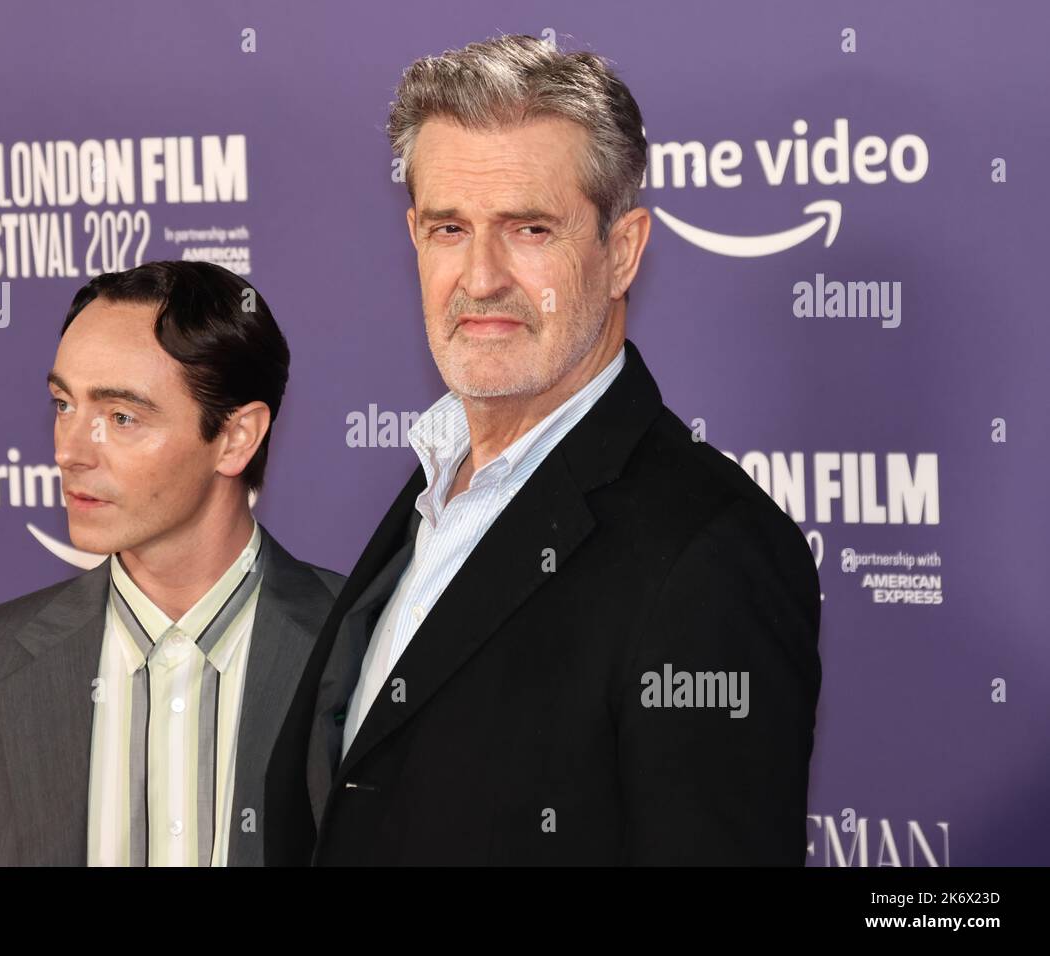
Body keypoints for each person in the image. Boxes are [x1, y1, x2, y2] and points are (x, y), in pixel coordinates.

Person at [264, 35, 822, 865]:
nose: (481, 277)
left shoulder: (712, 555)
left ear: (622, 250)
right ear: (415, 236)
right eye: (450, 228)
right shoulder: (439, 483)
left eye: (529, 228)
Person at [0, 260, 344, 865]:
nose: (68, 451)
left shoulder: (362, 648)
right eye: (64, 404)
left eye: (120, 417)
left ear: (236, 437)